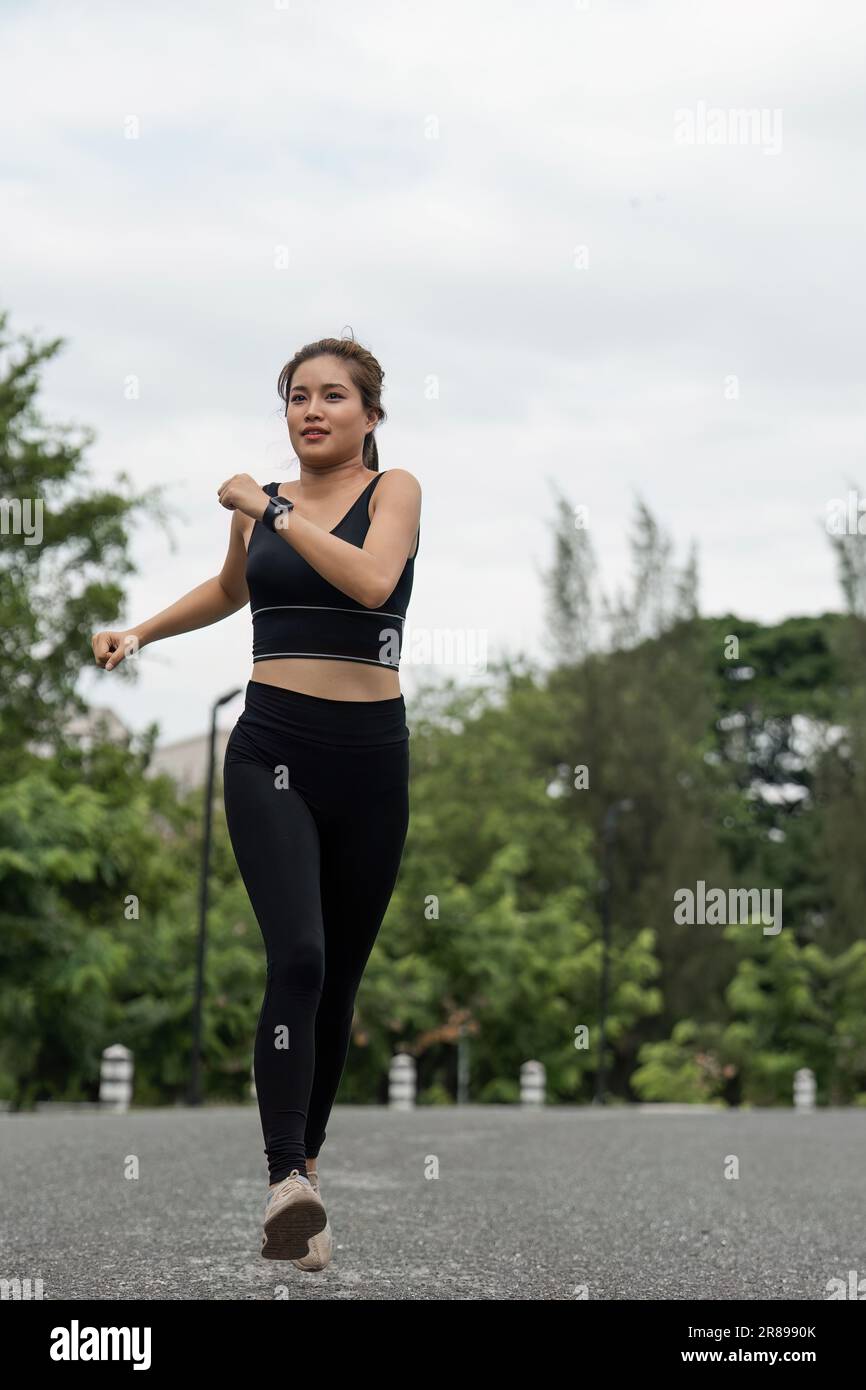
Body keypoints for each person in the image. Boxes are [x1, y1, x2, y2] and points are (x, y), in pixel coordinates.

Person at [91, 336, 421, 1269]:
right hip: (272, 749)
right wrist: (142, 630)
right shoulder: (262, 513)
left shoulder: (393, 493)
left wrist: (267, 505)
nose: (311, 411)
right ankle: (285, 1178)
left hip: (372, 758)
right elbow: (232, 592)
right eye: (296, 398)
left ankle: (305, 1187)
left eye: (331, 397)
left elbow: (370, 581)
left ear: (369, 415)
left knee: (341, 983)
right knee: (302, 957)